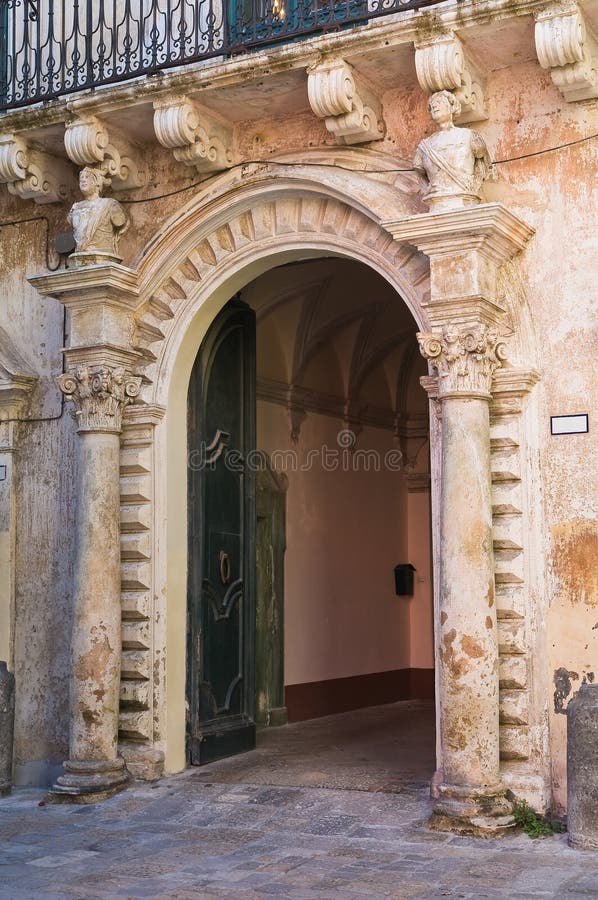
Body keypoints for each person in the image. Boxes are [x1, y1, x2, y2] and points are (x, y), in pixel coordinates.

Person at [413, 90, 490, 209]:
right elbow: (418, 168)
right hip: (436, 202)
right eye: (432, 105)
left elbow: (482, 167)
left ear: (451, 107)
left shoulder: (469, 136)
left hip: (464, 198)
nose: (434, 105)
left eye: (439, 102)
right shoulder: (424, 146)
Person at [68, 167, 128, 258]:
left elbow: (120, 221)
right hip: (80, 256)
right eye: (81, 178)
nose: (83, 180)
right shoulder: (75, 207)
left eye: (87, 177)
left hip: (103, 256)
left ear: (97, 183)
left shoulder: (109, 204)